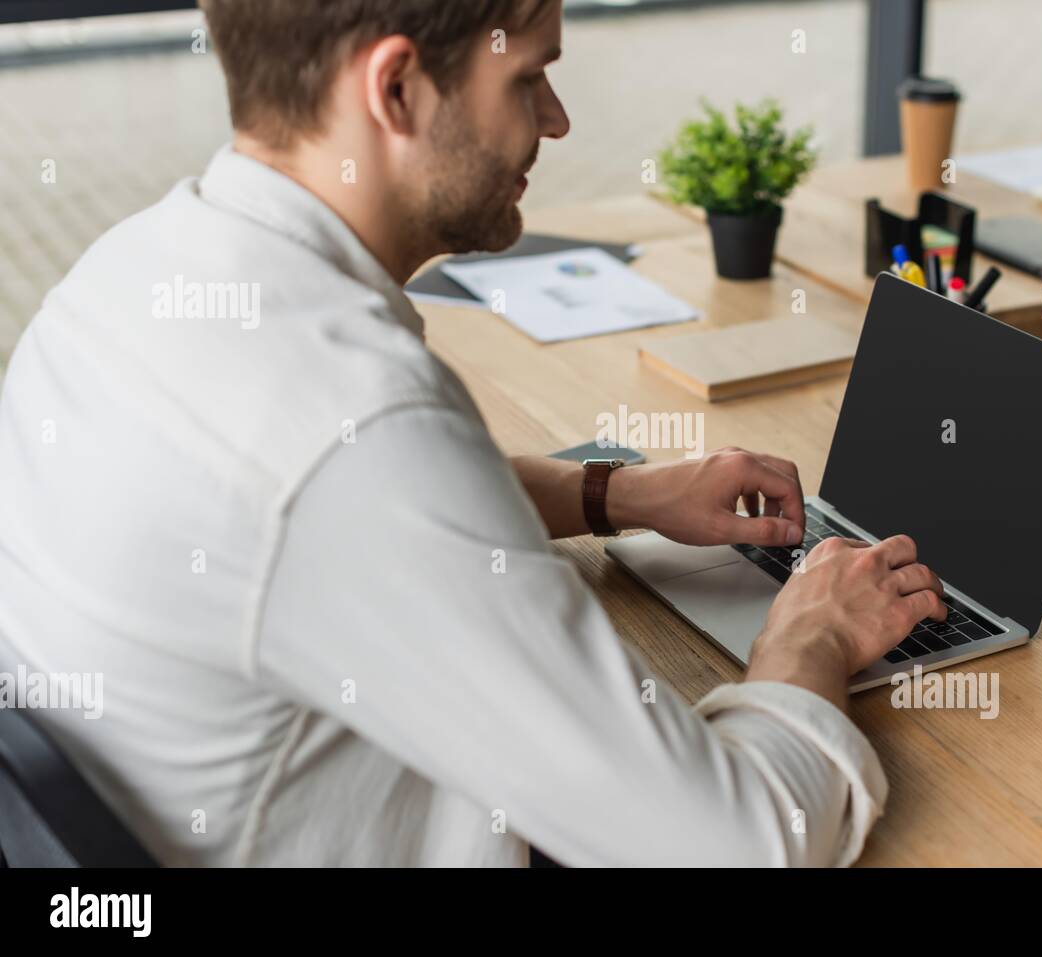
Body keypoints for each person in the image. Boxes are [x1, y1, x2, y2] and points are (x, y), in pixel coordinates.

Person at [0, 0, 945, 866]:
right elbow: (738, 844)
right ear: (397, 89)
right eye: (527, 77)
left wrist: (613, 492)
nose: (557, 119)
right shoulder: (362, 428)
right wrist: (811, 637)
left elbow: (306, 513)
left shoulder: (125, 273)